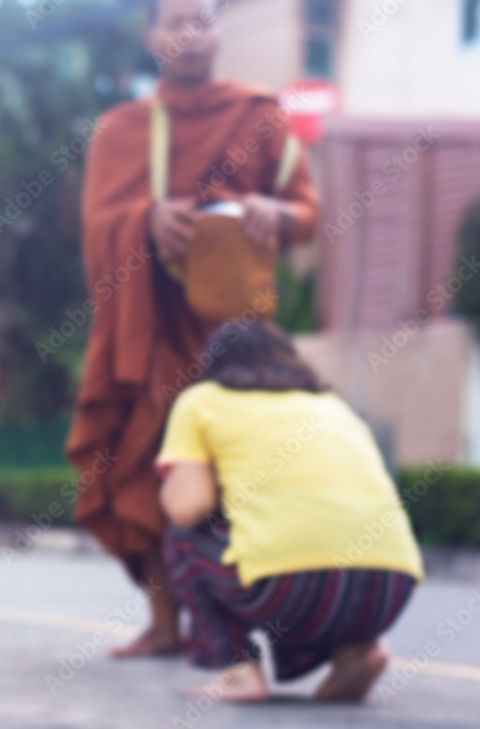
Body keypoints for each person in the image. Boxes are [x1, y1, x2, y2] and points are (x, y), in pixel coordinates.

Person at [66, 0, 320, 658]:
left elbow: (307, 211)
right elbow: (97, 228)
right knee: (136, 466)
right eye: (175, 21)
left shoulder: (259, 114)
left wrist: (273, 210)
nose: (190, 32)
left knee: (240, 473)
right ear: (152, 35)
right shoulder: (123, 127)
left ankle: (243, 622)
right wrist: (144, 221)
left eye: (202, 19)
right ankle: (163, 620)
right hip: (146, 334)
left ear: (219, 30)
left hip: (233, 338)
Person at [157, 321, 422, 702]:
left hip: (289, 592)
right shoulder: (332, 405)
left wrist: (170, 484)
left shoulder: (202, 400)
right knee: (293, 538)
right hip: (390, 589)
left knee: (184, 539)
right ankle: (358, 651)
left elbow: (189, 508)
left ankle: (238, 673)